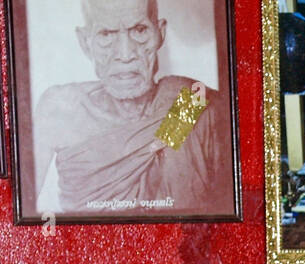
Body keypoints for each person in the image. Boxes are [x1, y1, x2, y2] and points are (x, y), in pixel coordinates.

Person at [32, 0, 230, 217]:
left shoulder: (186, 102)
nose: (125, 54)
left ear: (160, 33)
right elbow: (17, 212)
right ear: (85, 42)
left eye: (140, 30)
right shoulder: (62, 110)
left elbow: (226, 216)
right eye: (106, 34)